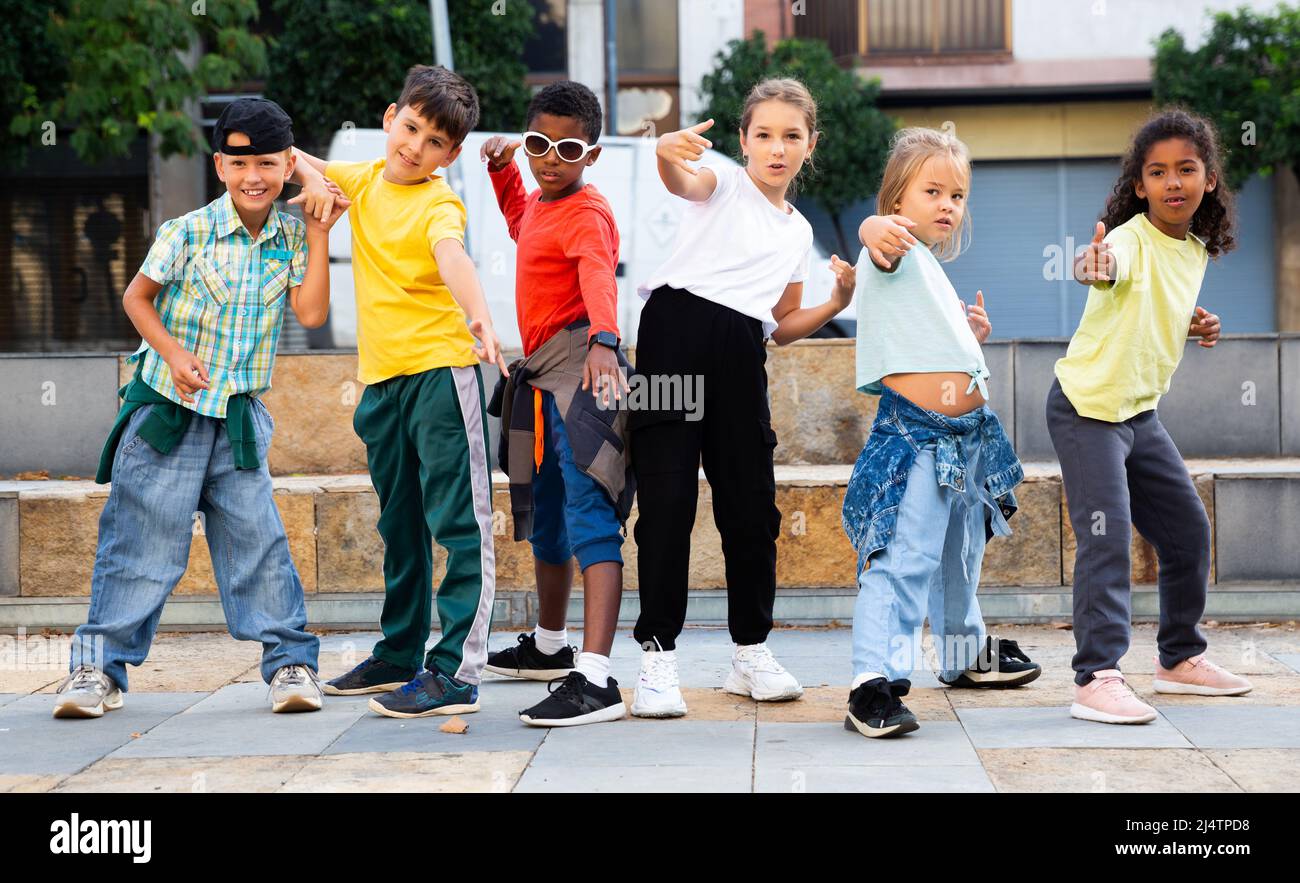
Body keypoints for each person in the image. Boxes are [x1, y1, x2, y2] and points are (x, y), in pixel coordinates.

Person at [57, 98, 342, 718]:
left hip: (237, 423)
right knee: (141, 545)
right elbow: (137, 299)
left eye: (269, 164)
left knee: (258, 543)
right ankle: (95, 672)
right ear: (219, 165)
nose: (255, 178)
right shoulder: (185, 232)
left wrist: (318, 214)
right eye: (240, 164)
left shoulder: (294, 235)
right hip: (167, 416)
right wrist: (174, 351)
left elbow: (313, 314)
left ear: (287, 164)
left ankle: (290, 666)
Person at [1047, 109, 1249, 725]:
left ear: (1208, 179)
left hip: (1137, 415)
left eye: (1185, 169)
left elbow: (1159, 298)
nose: (1172, 182)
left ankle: (1179, 658)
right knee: (1107, 537)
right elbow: (1104, 270)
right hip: (1088, 411)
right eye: (1157, 172)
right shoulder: (1128, 239)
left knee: (1188, 533)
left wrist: (1196, 321)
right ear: (1139, 187)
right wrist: (1093, 265)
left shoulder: (1191, 250)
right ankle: (1096, 676)